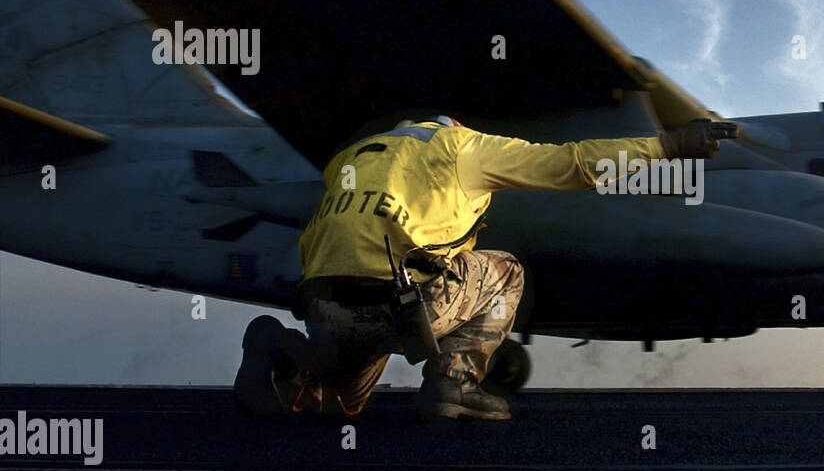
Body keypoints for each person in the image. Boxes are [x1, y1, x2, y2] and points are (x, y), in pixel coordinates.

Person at [233, 113, 721, 421]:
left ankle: (281, 347)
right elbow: (570, 163)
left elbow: (319, 238)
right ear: (455, 128)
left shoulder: (353, 157)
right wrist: (667, 147)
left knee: (341, 405)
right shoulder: (460, 145)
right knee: (506, 271)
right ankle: (455, 384)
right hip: (407, 302)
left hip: (326, 308)